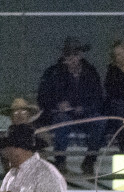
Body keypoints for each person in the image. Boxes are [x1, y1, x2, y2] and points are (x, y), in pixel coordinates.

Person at [37, 37, 105, 174]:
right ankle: (60, 160)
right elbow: (43, 97)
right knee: (62, 121)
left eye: (75, 54)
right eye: (69, 55)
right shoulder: (53, 73)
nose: (73, 58)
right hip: (63, 115)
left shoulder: (91, 72)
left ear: (80, 55)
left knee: (100, 121)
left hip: (85, 114)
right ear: (64, 56)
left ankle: (90, 160)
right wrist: (58, 105)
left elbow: (98, 98)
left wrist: (84, 108)